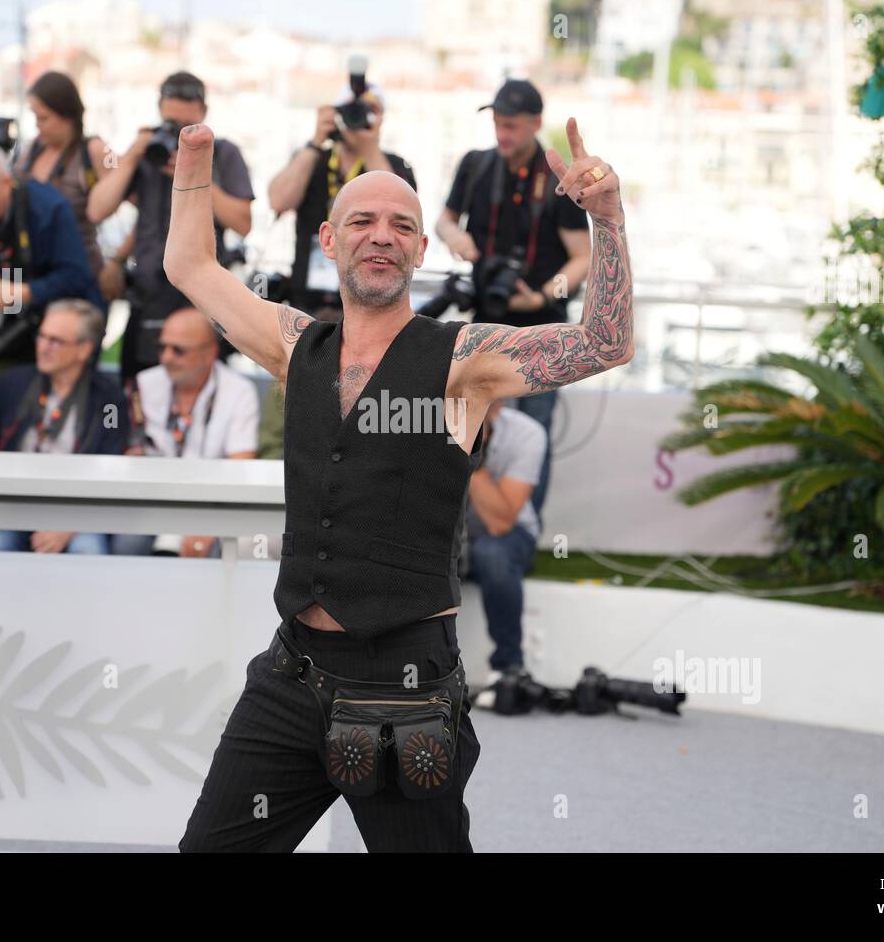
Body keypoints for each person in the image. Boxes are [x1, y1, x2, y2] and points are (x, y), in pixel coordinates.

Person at [164, 113, 633, 851]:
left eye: (400, 224)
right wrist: (194, 163)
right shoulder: (296, 346)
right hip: (292, 676)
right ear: (329, 240)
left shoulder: (463, 359)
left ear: (420, 249)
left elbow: (606, 341)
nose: (380, 234)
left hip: (405, 689)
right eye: (361, 221)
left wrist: (607, 220)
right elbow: (191, 267)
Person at [436, 79, 592, 516]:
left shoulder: (558, 181)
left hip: (543, 330)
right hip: (484, 323)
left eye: (511, 126)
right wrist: (456, 238)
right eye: (498, 125)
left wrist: (543, 295)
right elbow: (445, 219)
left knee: (533, 431)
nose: (502, 135)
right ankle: (462, 535)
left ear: (535, 124)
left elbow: (583, 259)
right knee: (465, 427)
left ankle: (518, 534)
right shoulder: (476, 165)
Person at [86, 72, 254, 385]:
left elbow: (243, 223)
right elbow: (97, 208)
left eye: (186, 128)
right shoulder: (148, 155)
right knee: (136, 395)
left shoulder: (224, 153)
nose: (177, 136)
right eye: (170, 125)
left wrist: (195, 172)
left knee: (196, 395)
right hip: (147, 295)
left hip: (201, 302)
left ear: (203, 113)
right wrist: (135, 152)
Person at [0, 142, 105, 433]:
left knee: (65, 429)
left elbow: (78, 277)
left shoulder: (48, 208)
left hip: (60, 334)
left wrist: (22, 293)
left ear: (6, 183)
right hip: (3, 339)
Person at [0, 298, 128, 556]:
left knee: (88, 550)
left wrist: (71, 526)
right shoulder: (15, 383)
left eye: (56, 341)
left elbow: (113, 468)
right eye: (42, 337)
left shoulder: (108, 398)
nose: (44, 347)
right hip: (14, 506)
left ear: (84, 349)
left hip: (78, 510)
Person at [113, 306, 260, 558]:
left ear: (209, 353)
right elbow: (125, 456)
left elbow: (241, 468)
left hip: (212, 505)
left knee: (221, 550)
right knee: (127, 544)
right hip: (153, 503)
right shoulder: (143, 385)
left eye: (178, 350)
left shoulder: (239, 392)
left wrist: (212, 526)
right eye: (162, 348)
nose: (166, 357)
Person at [267, 79, 416, 322]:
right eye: (351, 109)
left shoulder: (393, 165)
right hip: (306, 302)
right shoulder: (313, 158)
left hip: (369, 306)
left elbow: (403, 209)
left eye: (371, 111)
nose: (359, 116)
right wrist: (316, 141)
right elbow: (278, 201)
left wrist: (369, 148)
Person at [462, 400, 546, 675]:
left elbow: (500, 523)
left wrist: (472, 453)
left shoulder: (527, 432)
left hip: (508, 535)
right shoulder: (426, 423)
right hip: (450, 536)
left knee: (492, 552)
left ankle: (508, 666)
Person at [17, 70, 117, 300]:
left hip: (80, 278)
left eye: (44, 118)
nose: (37, 125)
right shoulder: (33, 150)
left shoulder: (94, 150)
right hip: (38, 279)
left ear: (68, 116)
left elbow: (139, 200)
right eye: (35, 117)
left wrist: (118, 261)